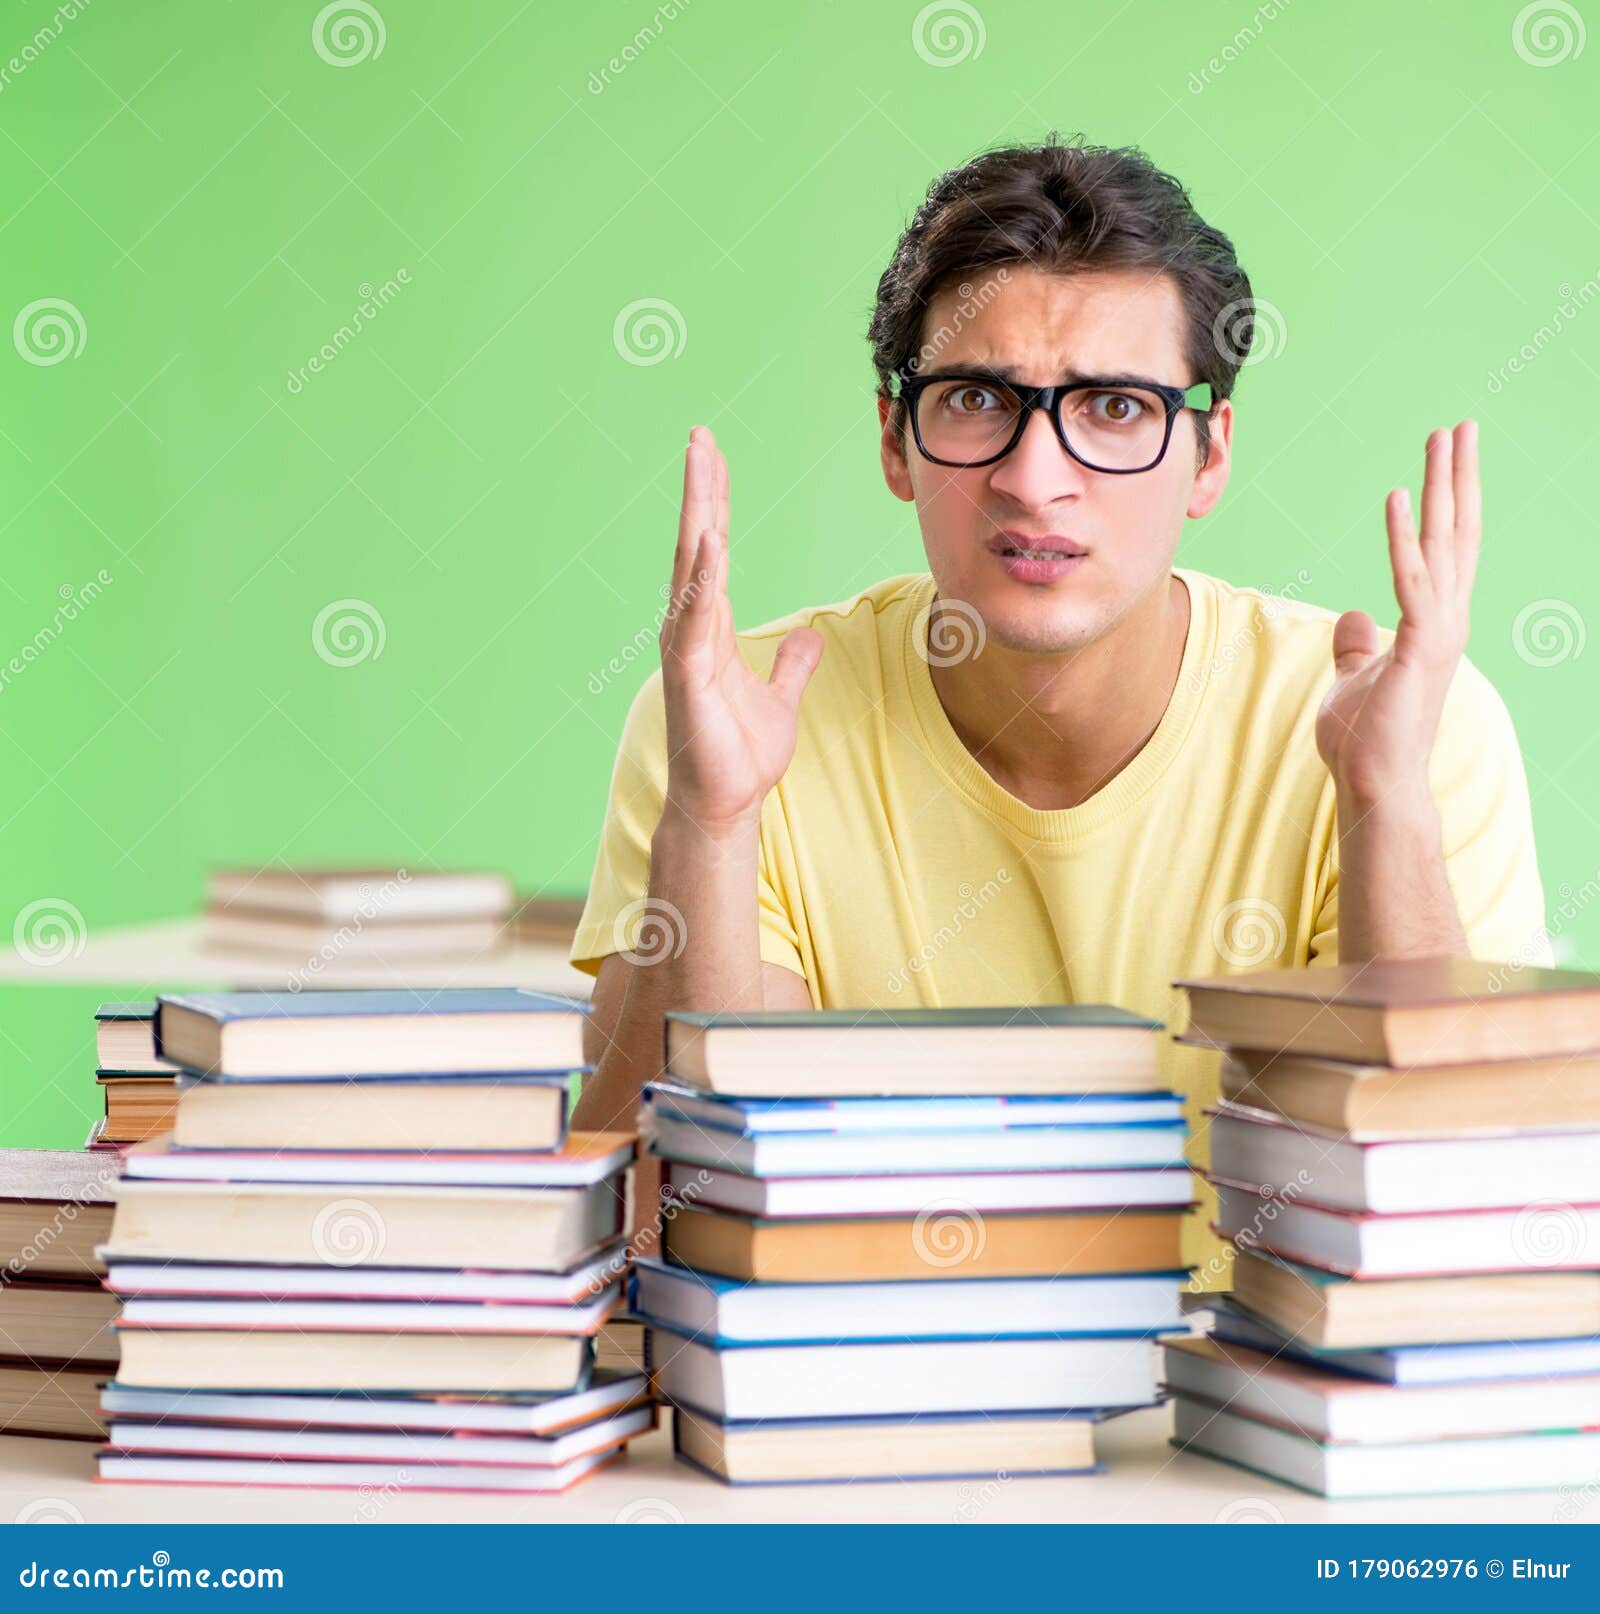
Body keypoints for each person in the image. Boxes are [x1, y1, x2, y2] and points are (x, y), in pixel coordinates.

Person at [566, 136, 1549, 1269]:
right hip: (873, 1410)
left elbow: (1449, 1224)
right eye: (978, 398)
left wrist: (1385, 807)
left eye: (1117, 408)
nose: (1035, 479)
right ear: (895, 438)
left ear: (1209, 456)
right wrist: (711, 830)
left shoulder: (1405, 727)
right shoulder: (732, 718)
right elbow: (679, 1220)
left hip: (1251, 1423)